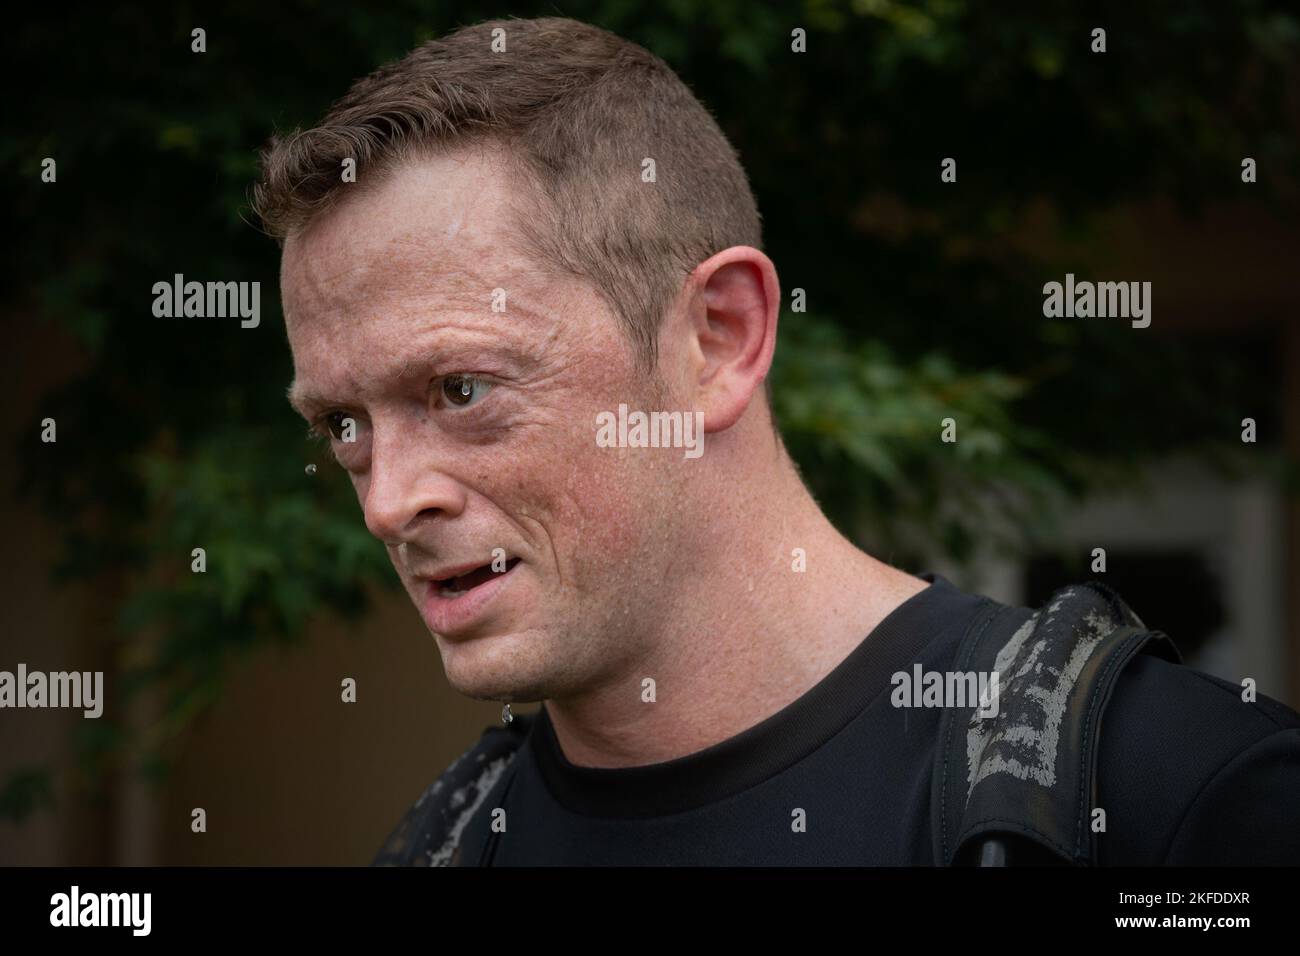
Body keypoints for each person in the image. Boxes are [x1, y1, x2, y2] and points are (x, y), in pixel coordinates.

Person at [254, 16, 1300, 866]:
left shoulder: (1171, 797)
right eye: (342, 423)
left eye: (460, 386)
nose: (388, 500)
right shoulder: (441, 845)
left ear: (718, 338)